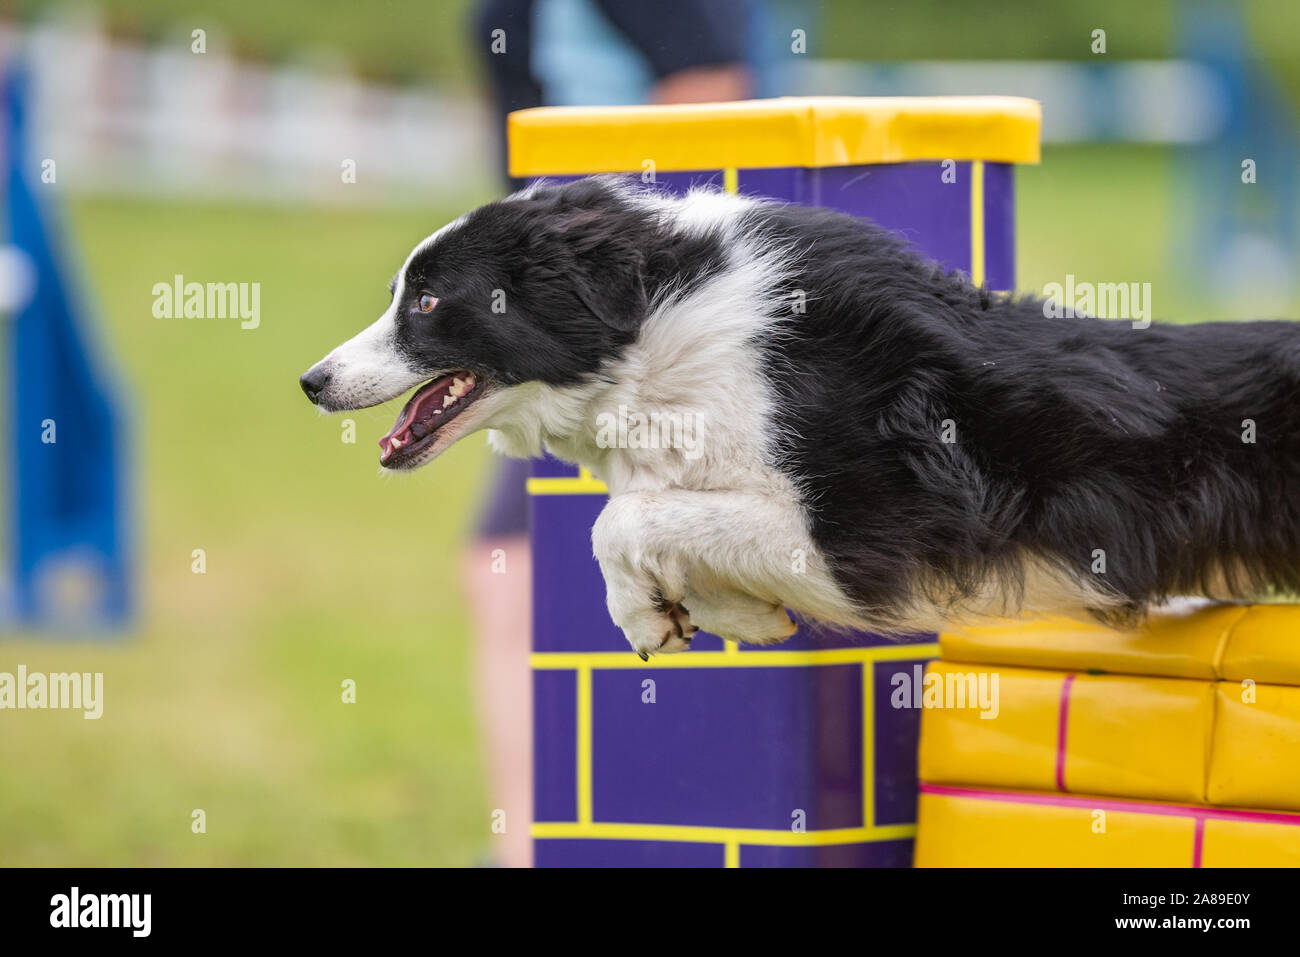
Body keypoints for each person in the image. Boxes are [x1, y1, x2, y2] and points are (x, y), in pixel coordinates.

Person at [467, 0, 760, 866]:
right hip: (580, 316)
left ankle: (542, 845)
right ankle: (538, 840)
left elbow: (711, 100)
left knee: (516, 574)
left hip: (642, 322)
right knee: (510, 574)